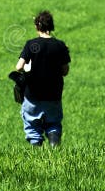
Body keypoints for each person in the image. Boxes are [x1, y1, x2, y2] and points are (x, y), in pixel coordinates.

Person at [16, 10, 70, 147]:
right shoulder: (60, 45)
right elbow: (65, 71)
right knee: (53, 124)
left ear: (37, 26)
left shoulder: (31, 44)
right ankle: (54, 148)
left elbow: (19, 67)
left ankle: (36, 154)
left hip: (32, 95)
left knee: (32, 127)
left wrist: (28, 69)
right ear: (51, 26)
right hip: (54, 94)